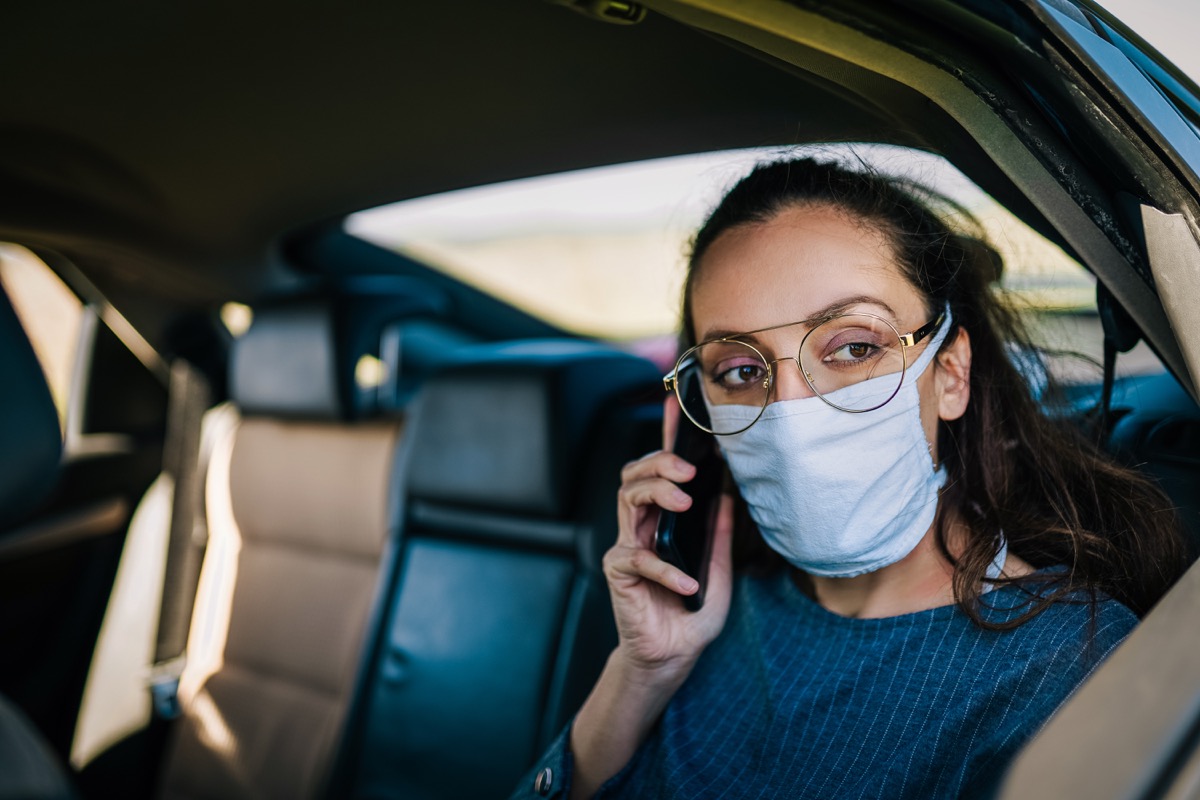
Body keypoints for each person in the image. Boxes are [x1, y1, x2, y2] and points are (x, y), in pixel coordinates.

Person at [512, 157, 1187, 799]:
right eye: (741, 371)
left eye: (854, 348)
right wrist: (640, 673)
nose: (791, 411)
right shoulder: (705, 612)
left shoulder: (1066, 666)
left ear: (949, 375)